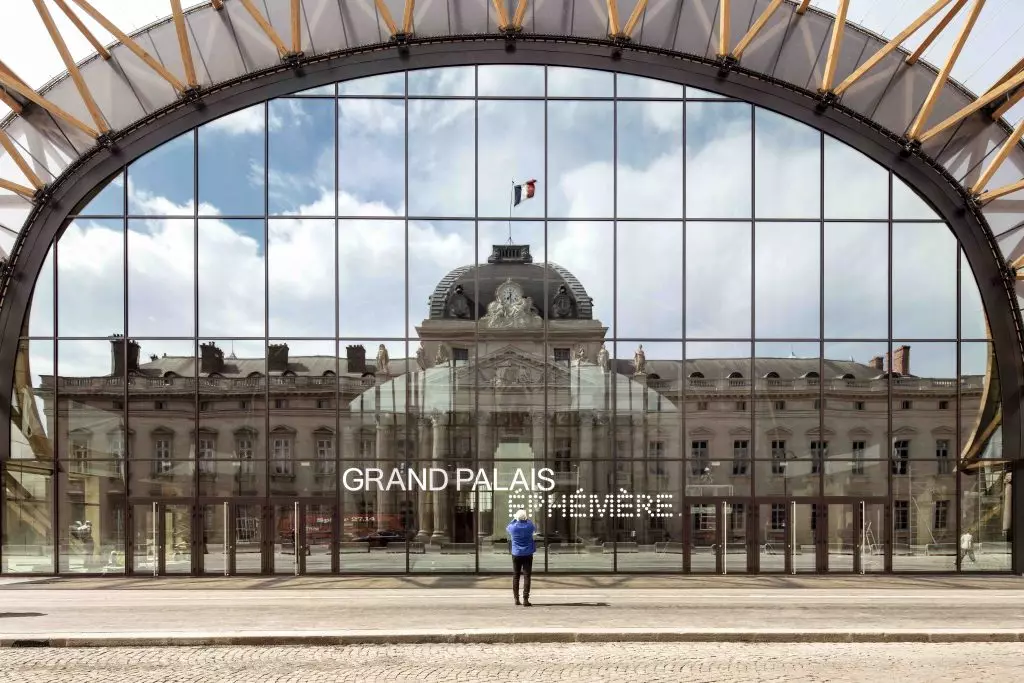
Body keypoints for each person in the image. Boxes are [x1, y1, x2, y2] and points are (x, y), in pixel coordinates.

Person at [506, 509, 536, 607]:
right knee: (527, 576)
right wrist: (526, 519)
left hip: (516, 554)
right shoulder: (529, 526)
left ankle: (516, 599)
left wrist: (515, 519)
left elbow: (508, 527)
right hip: (527, 553)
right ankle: (525, 599)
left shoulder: (513, 527)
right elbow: (532, 524)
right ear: (525, 518)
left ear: (517, 518)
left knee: (516, 576)